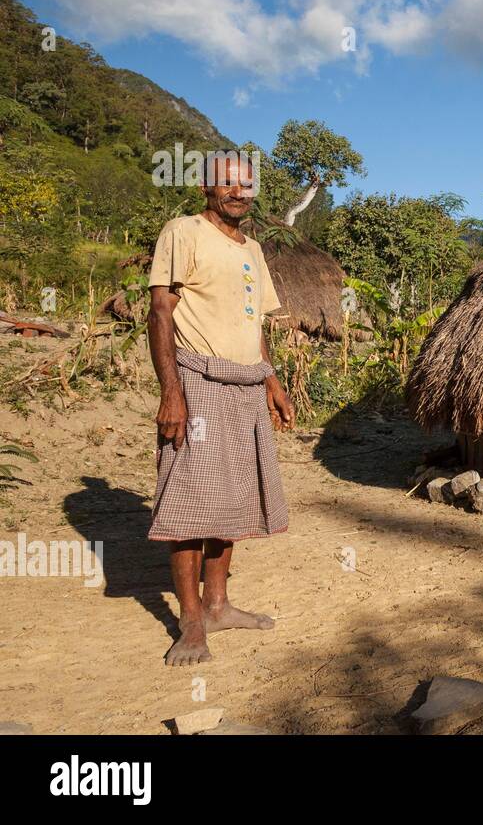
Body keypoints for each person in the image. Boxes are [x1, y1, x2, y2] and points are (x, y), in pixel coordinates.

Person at [146, 152, 294, 666]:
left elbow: (255, 326)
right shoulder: (183, 232)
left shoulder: (253, 248)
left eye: (246, 185)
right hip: (198, 379)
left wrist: (272, 382)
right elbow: (160, 310)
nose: (239, 193)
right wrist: (172, 392)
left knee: (232, 496)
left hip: (246, 386)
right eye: (228, 184)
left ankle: (218, 604)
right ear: (207, 188)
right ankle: (190, 621)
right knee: (189, 499)